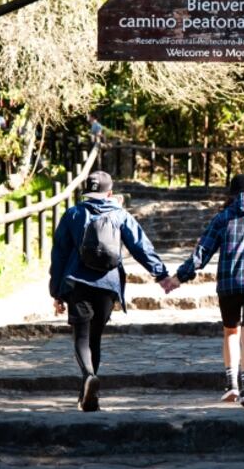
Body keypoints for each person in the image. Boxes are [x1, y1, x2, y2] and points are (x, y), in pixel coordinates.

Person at [49, 171, 176, 412]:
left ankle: (88, 377)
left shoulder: (73, 214)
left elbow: (59, 255)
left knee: (82, 338)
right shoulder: (120, 215)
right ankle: (88, 396)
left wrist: (56, 292)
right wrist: (161, 274)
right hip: (108, 285)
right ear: (110, 193)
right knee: (94, 338)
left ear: (86, 191)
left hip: (78, 283)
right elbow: (140, 245)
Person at [173, 174, 244, 408]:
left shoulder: (222, 218)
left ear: (231, 195)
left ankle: (231, 385)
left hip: (229, 284)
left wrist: (180, 276)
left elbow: (202, 252)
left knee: (231, 333)